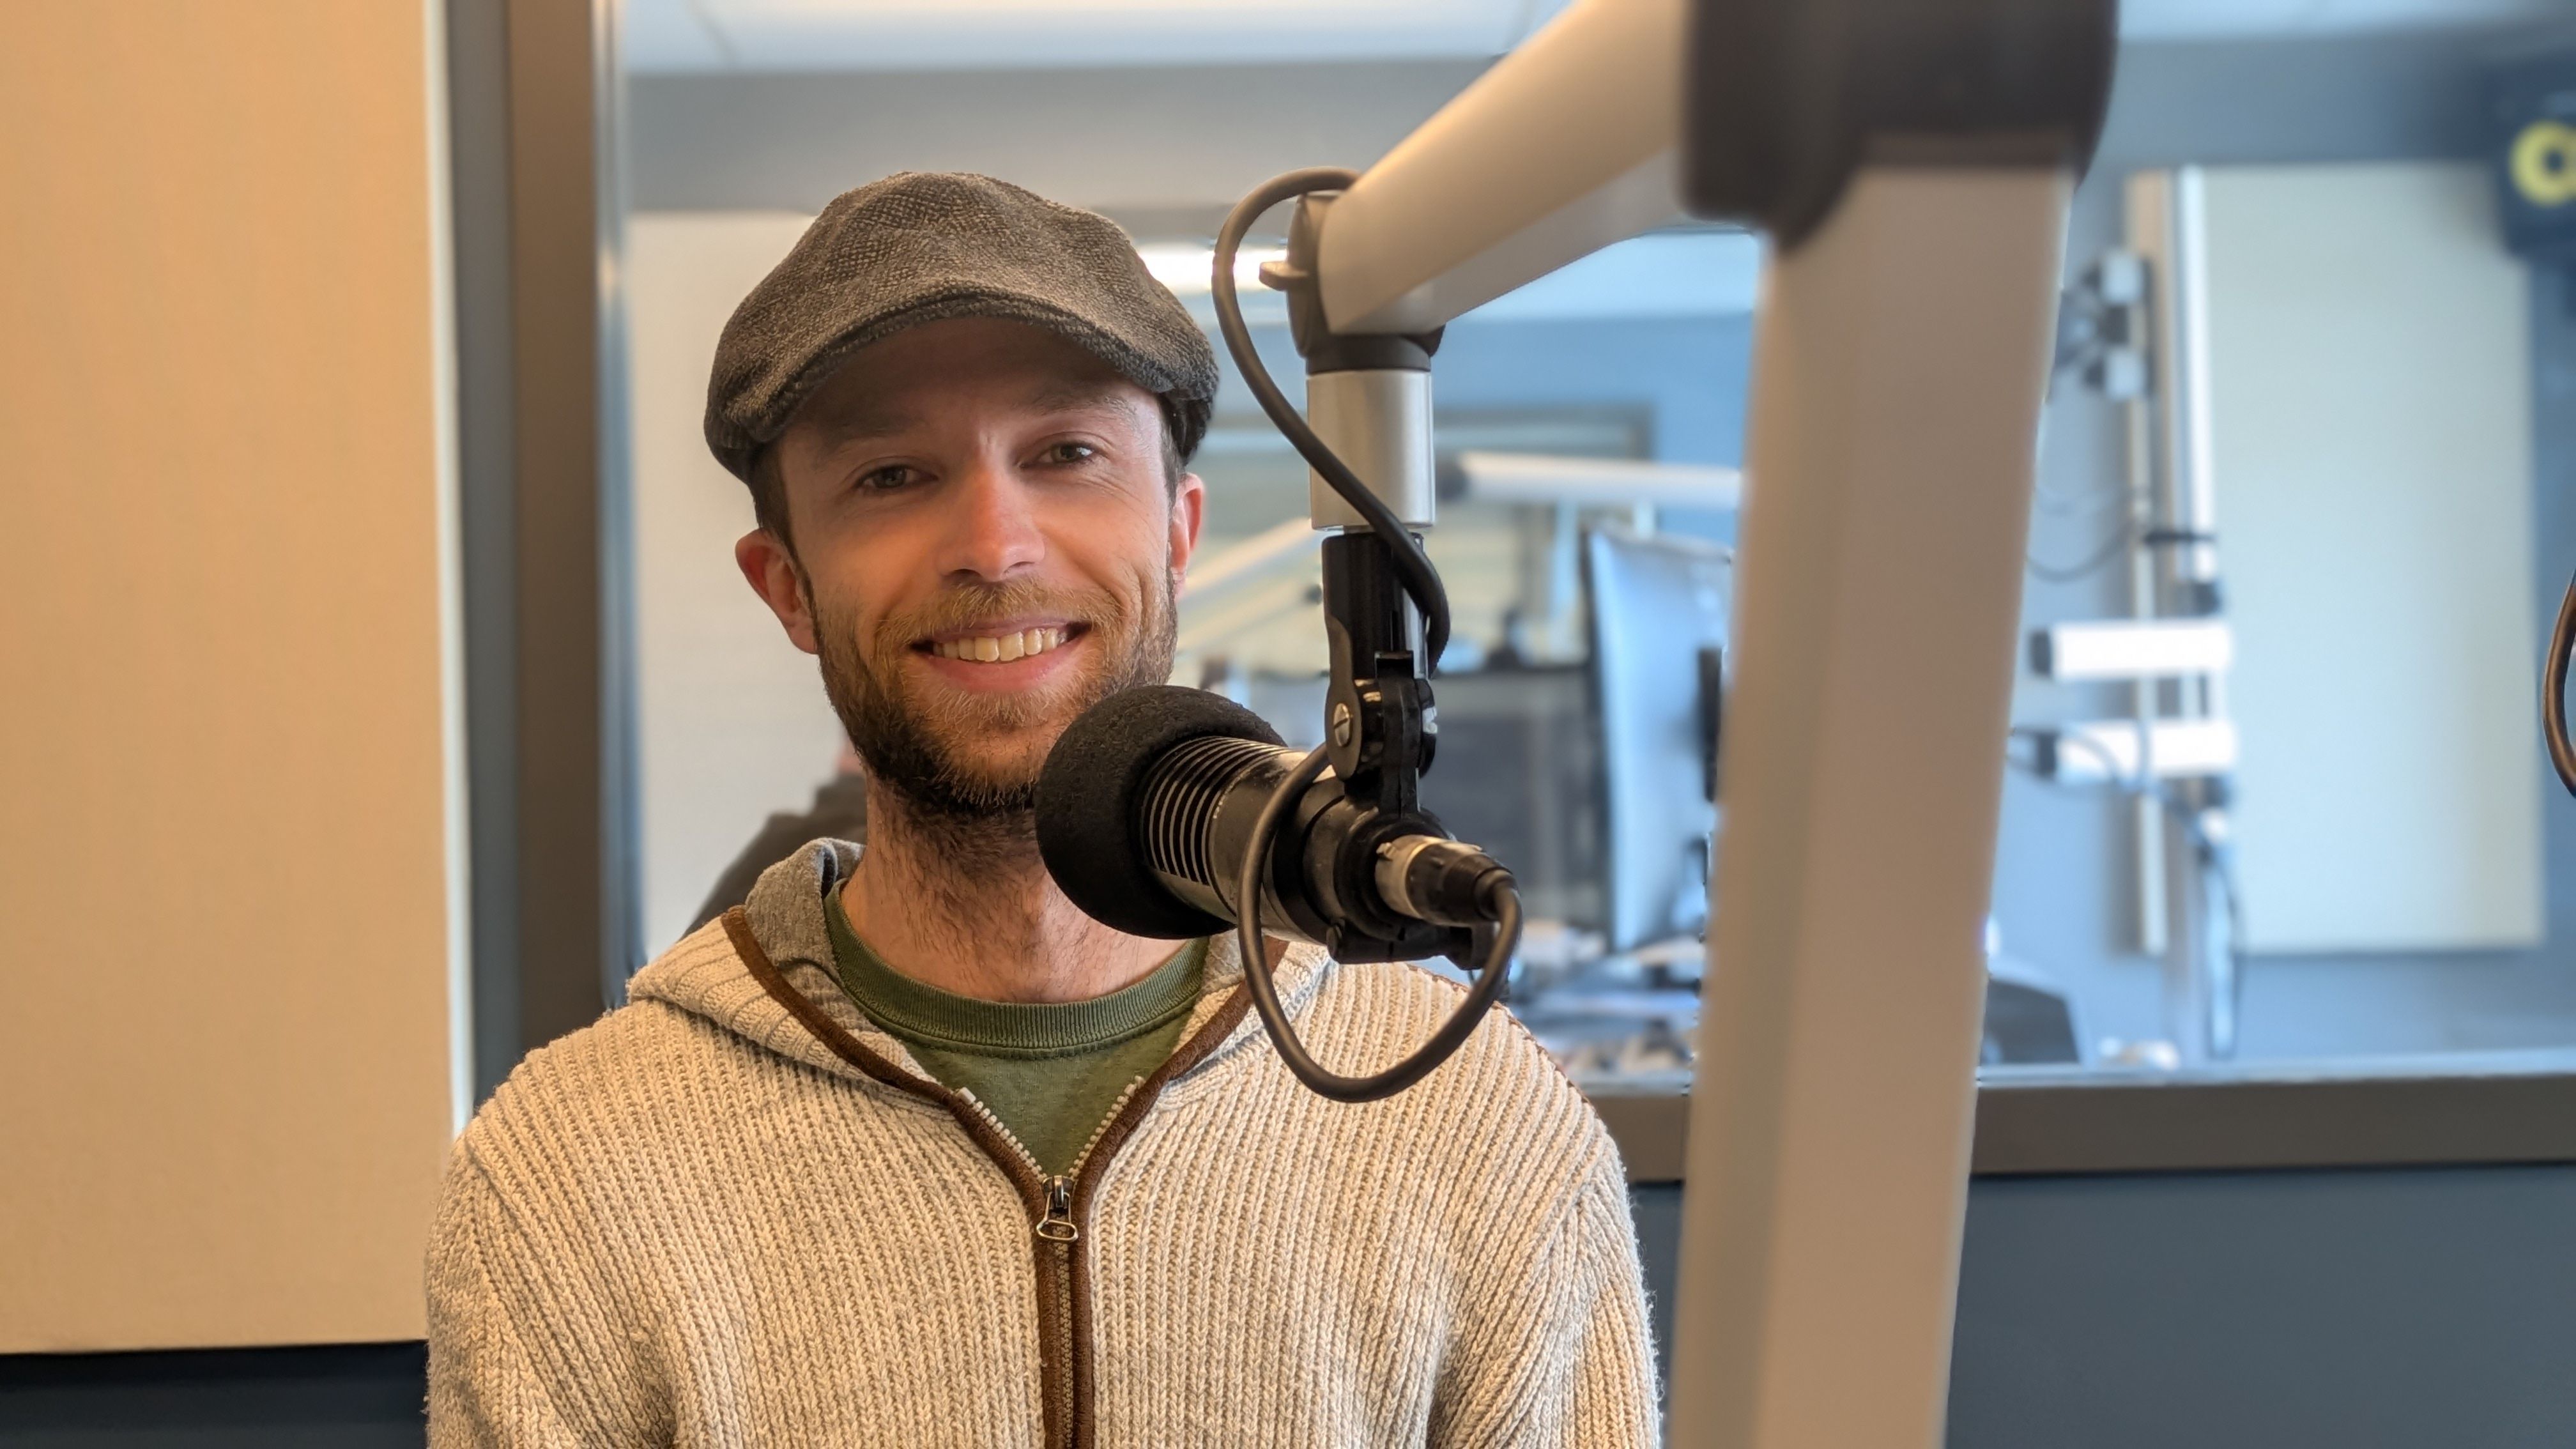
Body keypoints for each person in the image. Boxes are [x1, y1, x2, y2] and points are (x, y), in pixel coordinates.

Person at [426, 171, 1657, 1446]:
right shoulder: (568, 1174)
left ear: (1179, 531)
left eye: (1066, 454)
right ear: (787, 589)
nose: (997, 545)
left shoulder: (1474, 1127)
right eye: (894, 474)